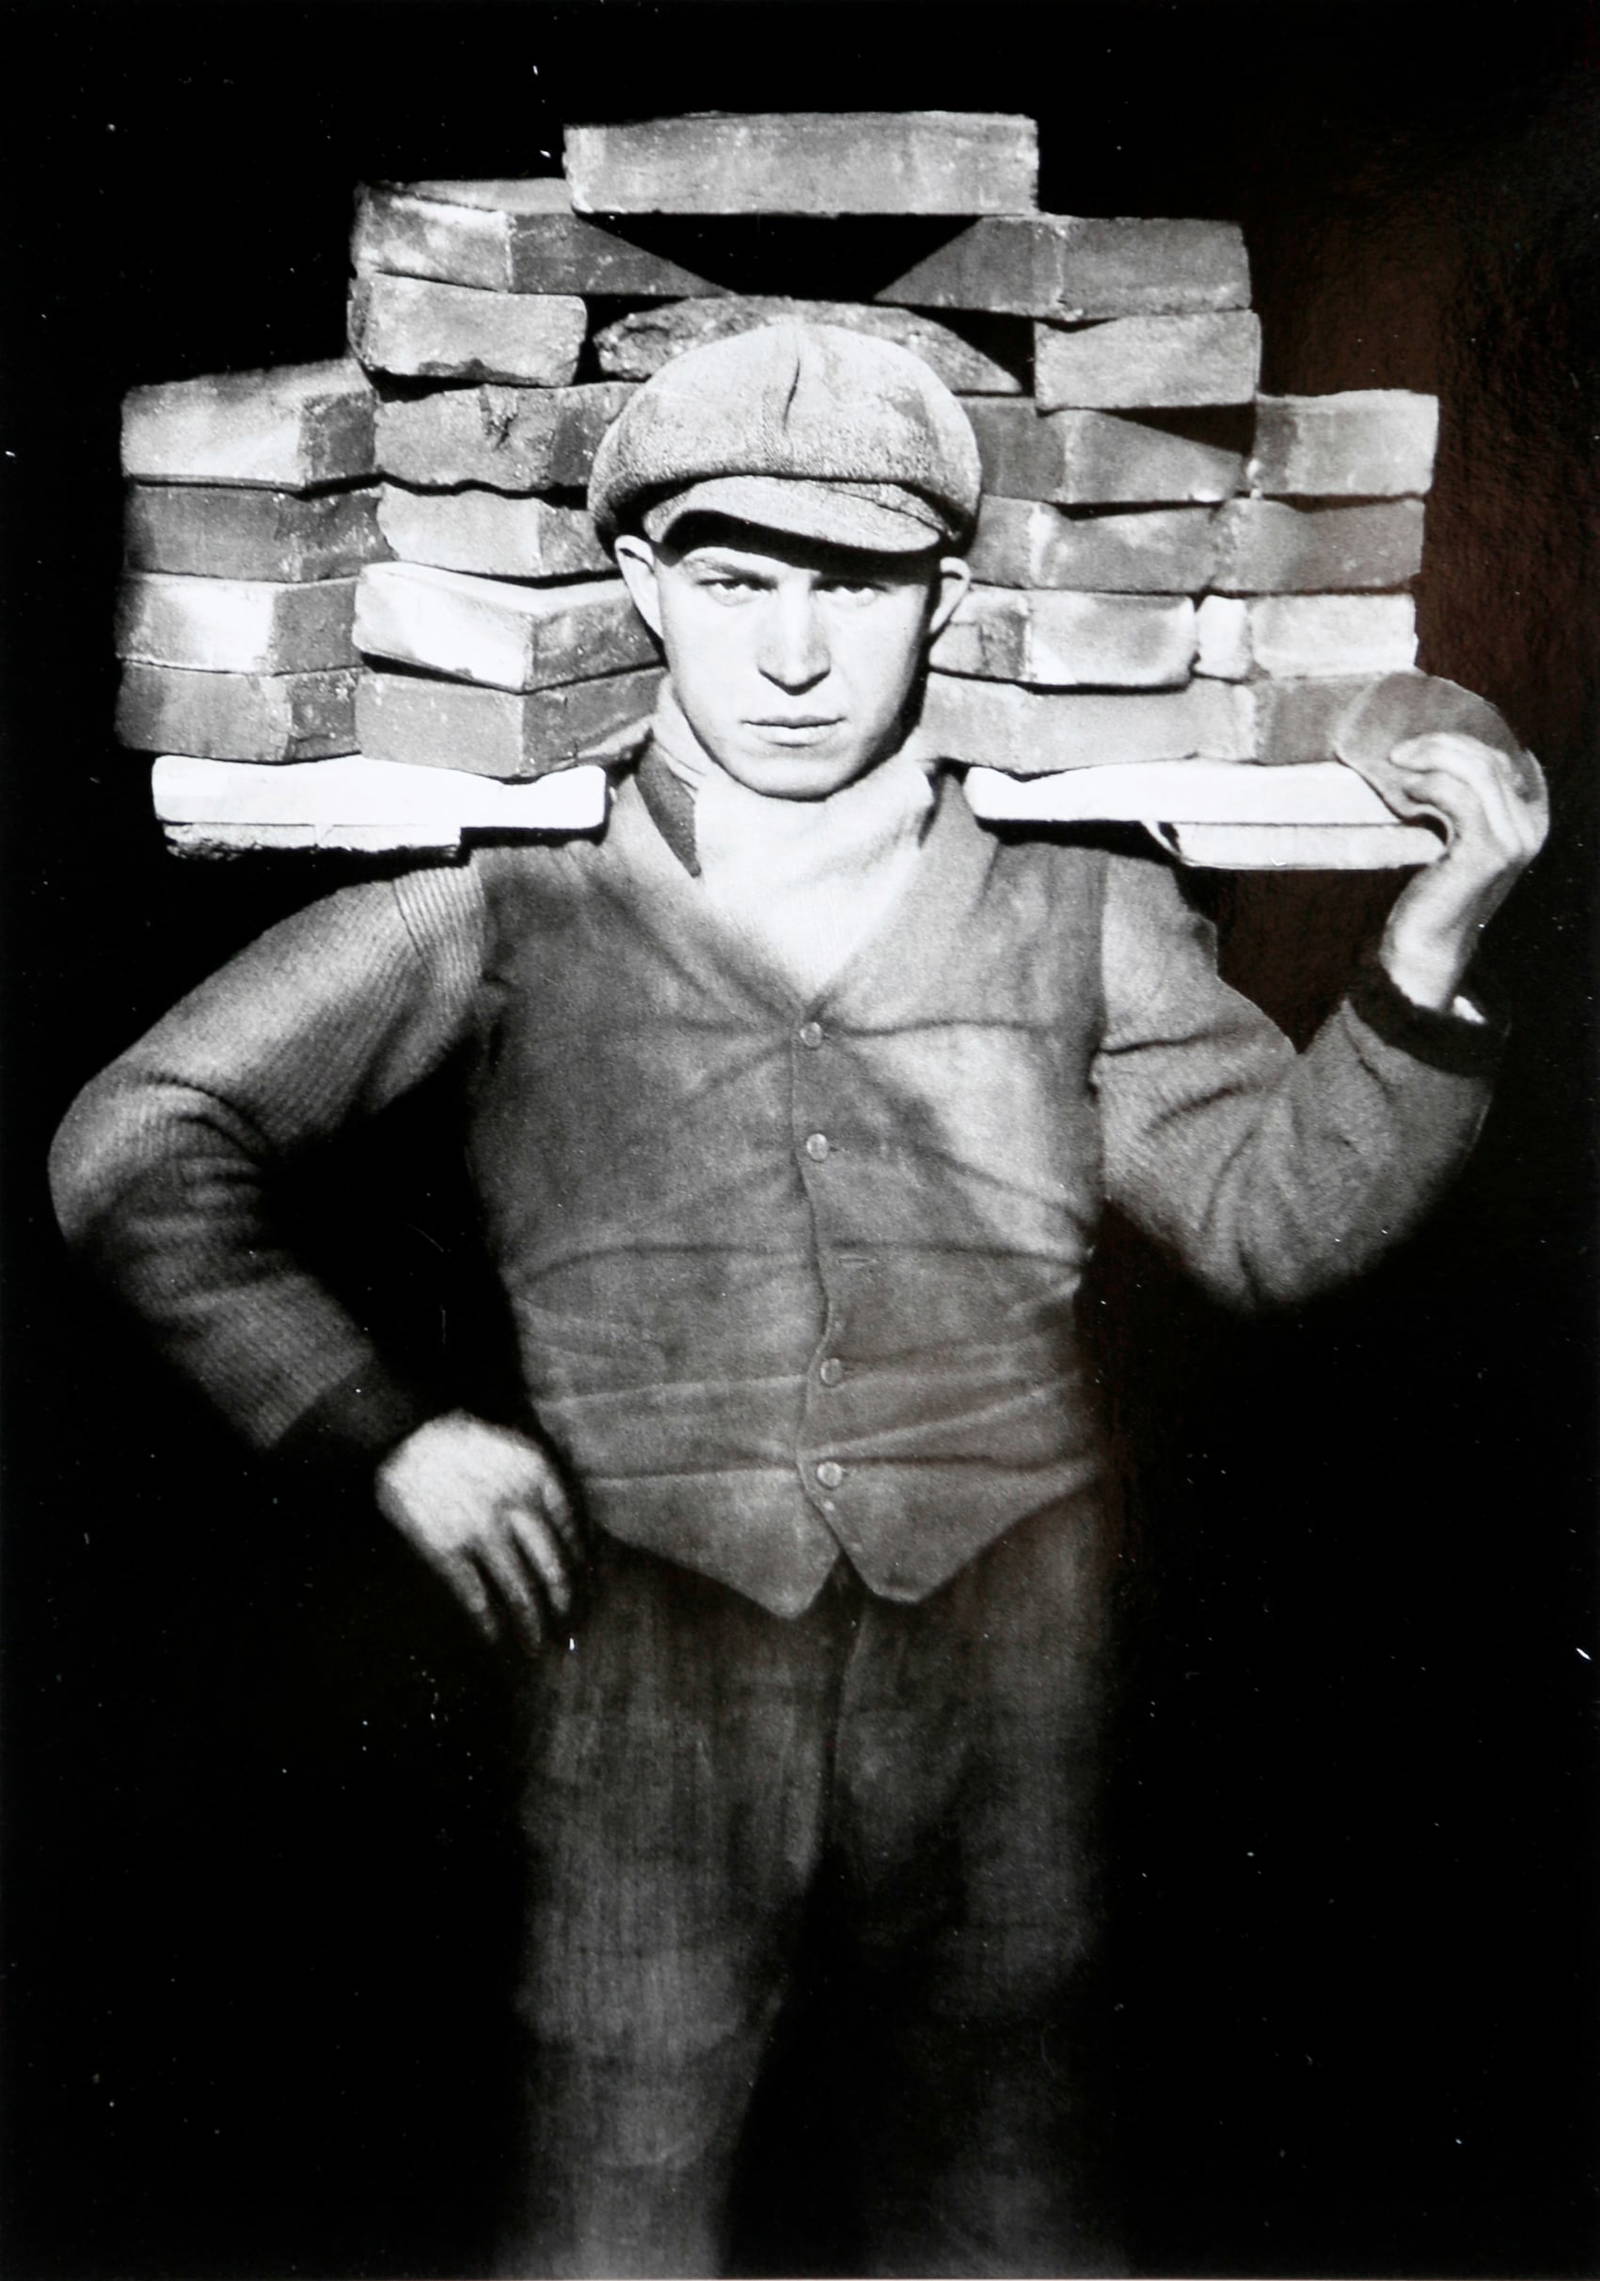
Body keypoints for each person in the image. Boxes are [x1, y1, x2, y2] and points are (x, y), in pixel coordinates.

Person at [50, 322, 1547, 2278]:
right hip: (650, 1647)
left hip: (1009, 1641)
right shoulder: (512, 894)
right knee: (624, 2165)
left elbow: (1271, 1219)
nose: (785, 655)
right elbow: (136, 1138)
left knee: (996, 2172)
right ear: (644, 584)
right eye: (735, 579)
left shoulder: (1076, 902)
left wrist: (1423, 951)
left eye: (848, 584)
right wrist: (384, 1427)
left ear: (943, 593)